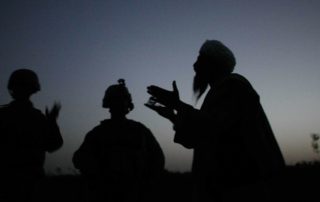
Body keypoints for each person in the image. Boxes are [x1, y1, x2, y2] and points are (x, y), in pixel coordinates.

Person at [145, 40, 285, 201]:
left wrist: (177, 104)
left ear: (213, 64)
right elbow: (199, 138)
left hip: (241, 186)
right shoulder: (217, 94)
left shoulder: (234, 85)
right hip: (225, 187)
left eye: (199, 60)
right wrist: (172, 115)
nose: (194, 65)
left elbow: (212, 126)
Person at [73, 79, 165, 202]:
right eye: (116, 101)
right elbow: (79, 159)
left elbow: (157, 160)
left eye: (120, 101)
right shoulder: (99, 133)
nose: (119, 104)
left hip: (132, 192)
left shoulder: (139, 131)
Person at [0, 69, 63, 202]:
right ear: (34, 89)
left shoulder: (3, 115)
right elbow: (54, 145)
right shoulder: (38, 118)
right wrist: (52, 122)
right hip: (31, 183)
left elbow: (53, 145)